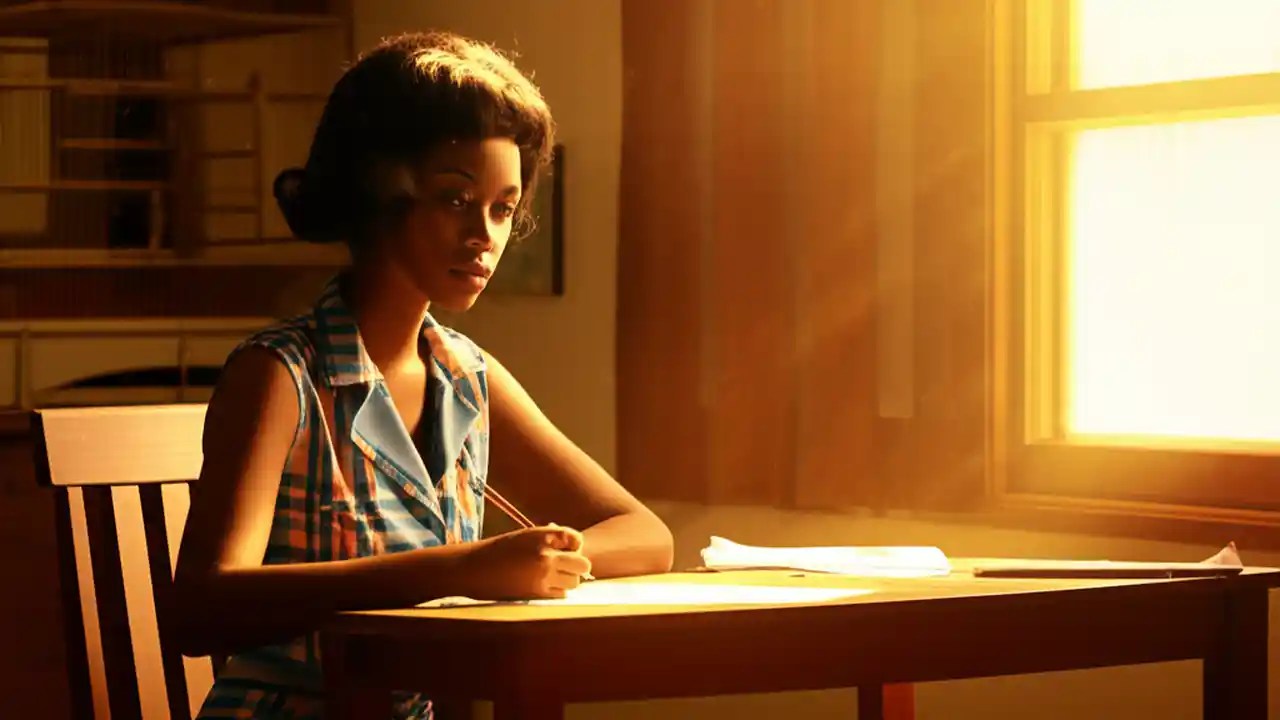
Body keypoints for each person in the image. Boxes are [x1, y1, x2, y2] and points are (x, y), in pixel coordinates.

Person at [172, 31, 674, 719]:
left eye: (503, 209)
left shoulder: (467, 377)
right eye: (456, 200)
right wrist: (463, 570)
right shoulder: (280, 376)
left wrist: (541, 559)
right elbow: (202, 606)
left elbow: (644, 535)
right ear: (376, 187)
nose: (486, 237)